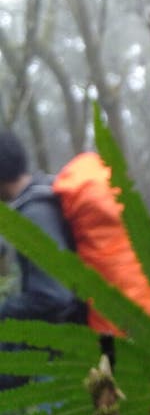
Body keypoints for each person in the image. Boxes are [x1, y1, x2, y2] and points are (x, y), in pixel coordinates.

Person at [0, 131, 86, 390]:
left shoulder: (35, 212)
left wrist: (6, 310)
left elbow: (53, 295)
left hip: (67, 355)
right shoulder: (41, 196)